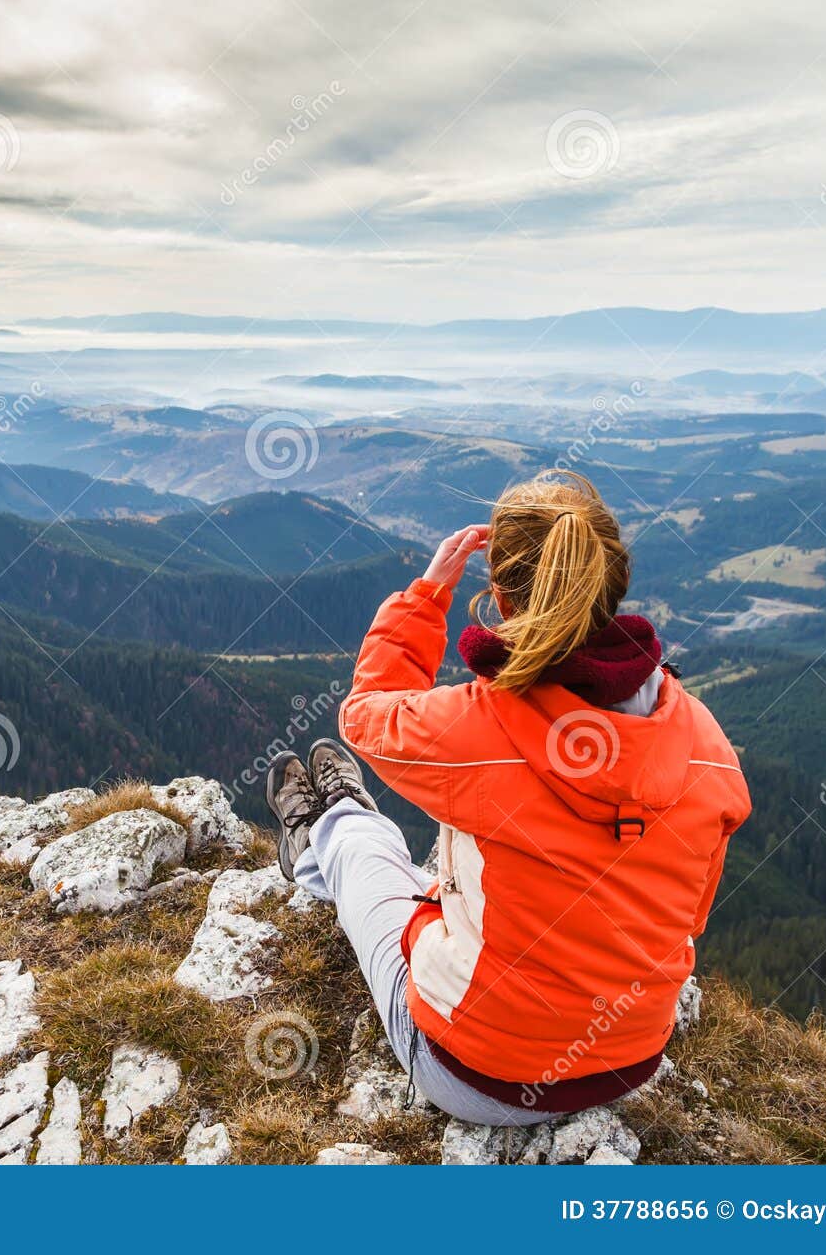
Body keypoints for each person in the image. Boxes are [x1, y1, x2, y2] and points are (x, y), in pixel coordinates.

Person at [266, 470, 750, 1125]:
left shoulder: (479, 725)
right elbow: (690, 914)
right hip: (632, 1058)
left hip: (475, 1074)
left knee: (366, 848)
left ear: (499, 594)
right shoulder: (705, 742)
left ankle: (329, 826)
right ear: (612, 583)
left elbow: (367, 717)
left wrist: (426, 598)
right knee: (463, 882)